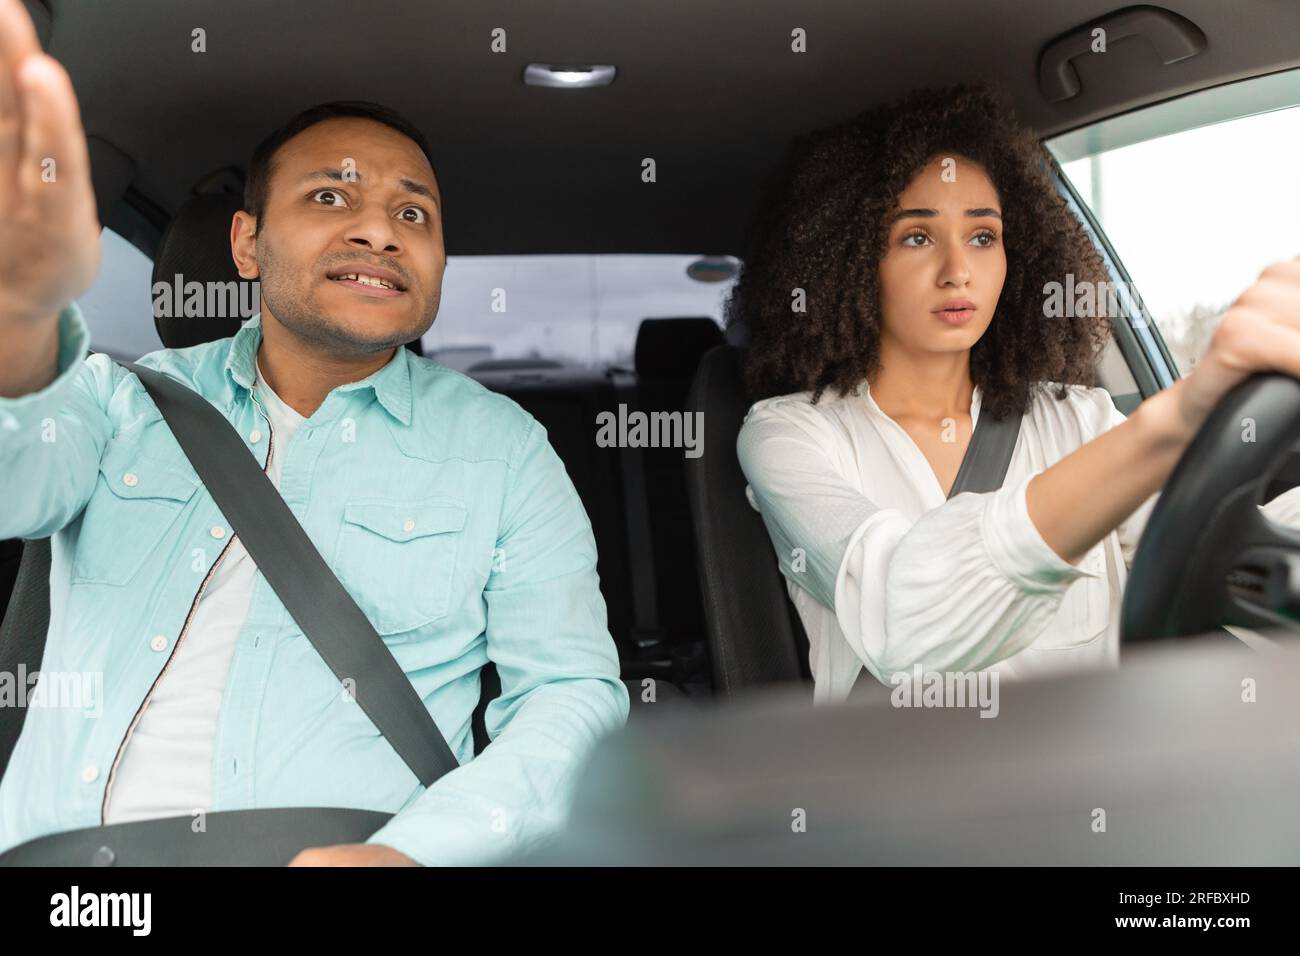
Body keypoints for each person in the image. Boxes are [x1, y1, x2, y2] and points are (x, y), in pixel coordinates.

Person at [0, 0, 627, 865]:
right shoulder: (115, 398)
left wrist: (420, 854)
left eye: (415, 215)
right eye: (330, 196)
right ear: (248, 243)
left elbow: (570, 694)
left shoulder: (506, 451)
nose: (378, 229)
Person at [731, 83, 1300, 703]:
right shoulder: (788, 435)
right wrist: (1177, 417)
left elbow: (1221, 546)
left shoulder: (1079, 418)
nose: (958, 269)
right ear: (849, 261)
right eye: (916, 237)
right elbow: (902, 613)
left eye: (983, 236)